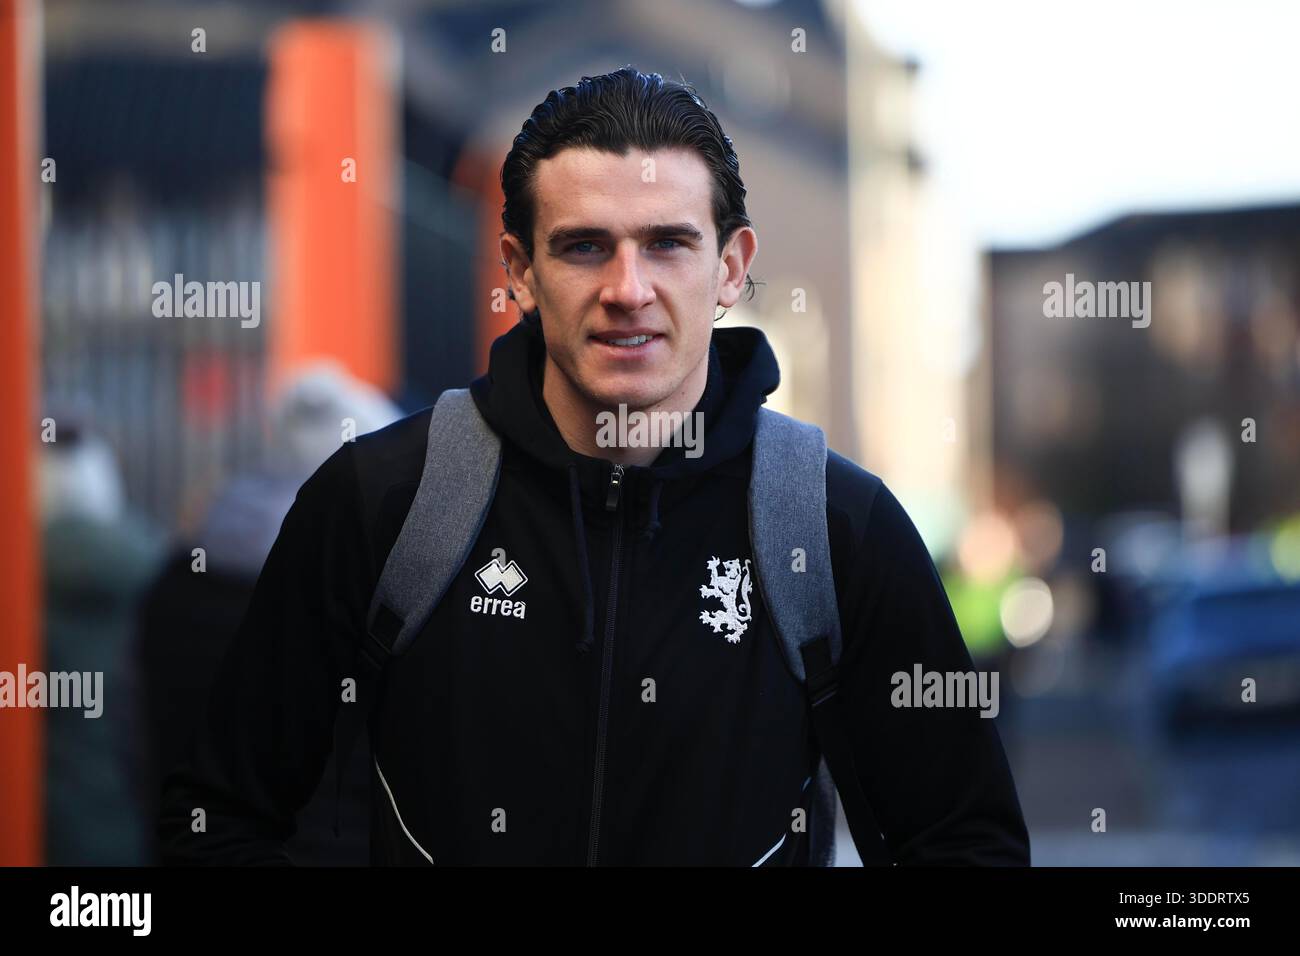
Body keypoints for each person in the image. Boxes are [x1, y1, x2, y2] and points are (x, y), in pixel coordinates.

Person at [160, 66, 1030, 866]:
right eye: (584, 247)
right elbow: (216, 817)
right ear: (519, 270)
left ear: (730, 268)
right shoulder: (382, 502)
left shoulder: (837, 527)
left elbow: (964, 842)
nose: (627, 287)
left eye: (666, 244)